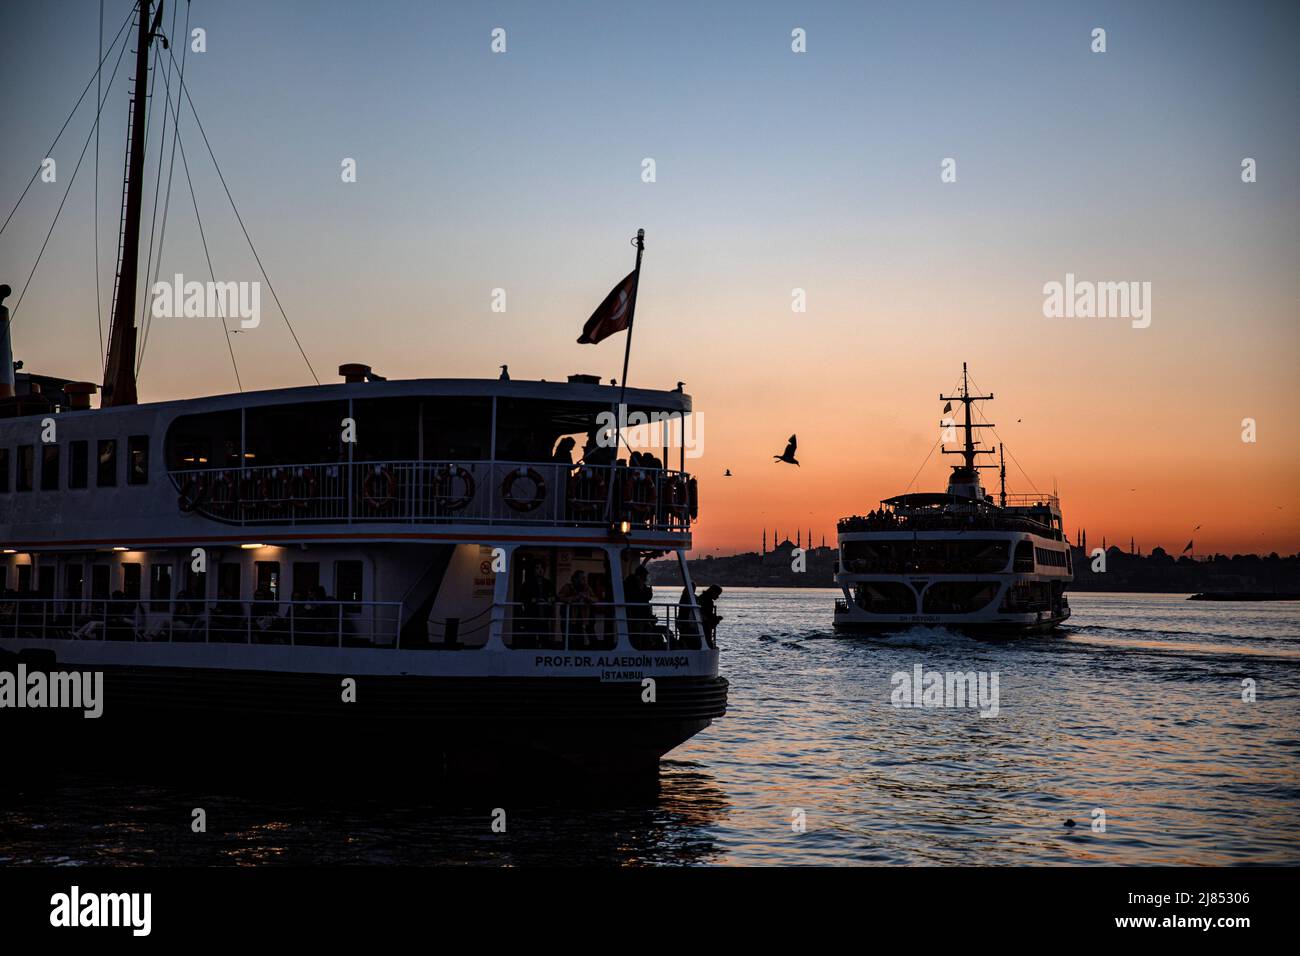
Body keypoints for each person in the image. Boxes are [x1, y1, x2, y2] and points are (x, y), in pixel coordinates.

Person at [518, 559, 554, 648]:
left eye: (542, 568)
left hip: (544, 616)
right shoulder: (527, 583)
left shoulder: (548, 583)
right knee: (530, 639)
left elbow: (554, 596)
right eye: (537, 568)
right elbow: (522, 596)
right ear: (534, 569)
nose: (540, 570)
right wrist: (533, 600)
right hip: (532, 615)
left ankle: (544, 654)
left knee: (545, 638)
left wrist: (551, 599)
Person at [557, 570, 595, 647]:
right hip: (569, 619)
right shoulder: (567, 587)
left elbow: (595, 598)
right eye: (582, 578)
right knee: (568, 640)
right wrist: (574, 598)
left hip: (581, 620)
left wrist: (588, 598)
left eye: (585, 578)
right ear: (575, 579)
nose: (584, 580)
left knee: (580, 640)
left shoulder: (587, 588)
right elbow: (559, 597)